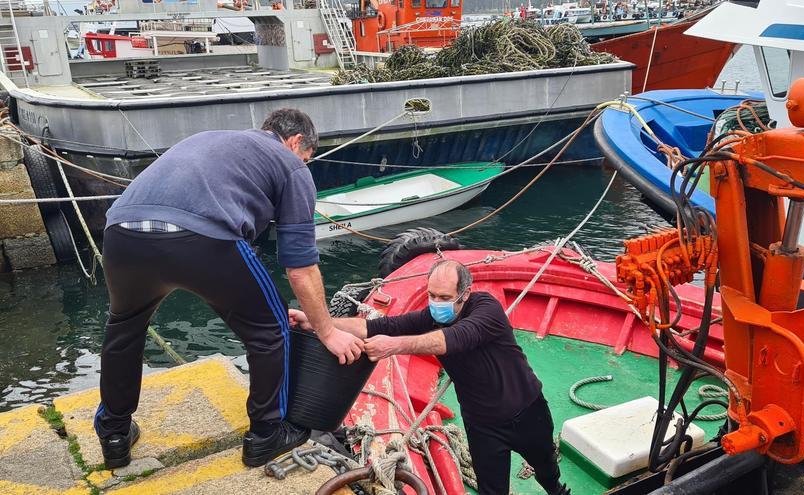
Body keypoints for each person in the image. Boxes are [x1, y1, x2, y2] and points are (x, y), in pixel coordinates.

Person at [95, 108, 364, 469]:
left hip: (121, 232)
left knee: (124, 329)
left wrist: (263, 302)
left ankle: (114, 435)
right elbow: (300, 265)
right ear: (296, 142)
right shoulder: (290, 165)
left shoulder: (213, 141)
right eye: (307, 157)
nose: (305, 165)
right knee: (270, 332)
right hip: (202, 236)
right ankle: (267, 435)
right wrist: (326, 330)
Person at [289, 260, 571, 495]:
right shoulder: (433, 315)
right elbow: (377, 325)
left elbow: (452, 339)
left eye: (445, 298)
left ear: (465, 294)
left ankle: (556, 489)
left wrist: (394, 345)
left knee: (546, 468)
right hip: (483, 425)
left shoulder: (487, 310)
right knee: (491, 491)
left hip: (526, 411)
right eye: (432, 295)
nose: (436, 303)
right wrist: (316, 322)